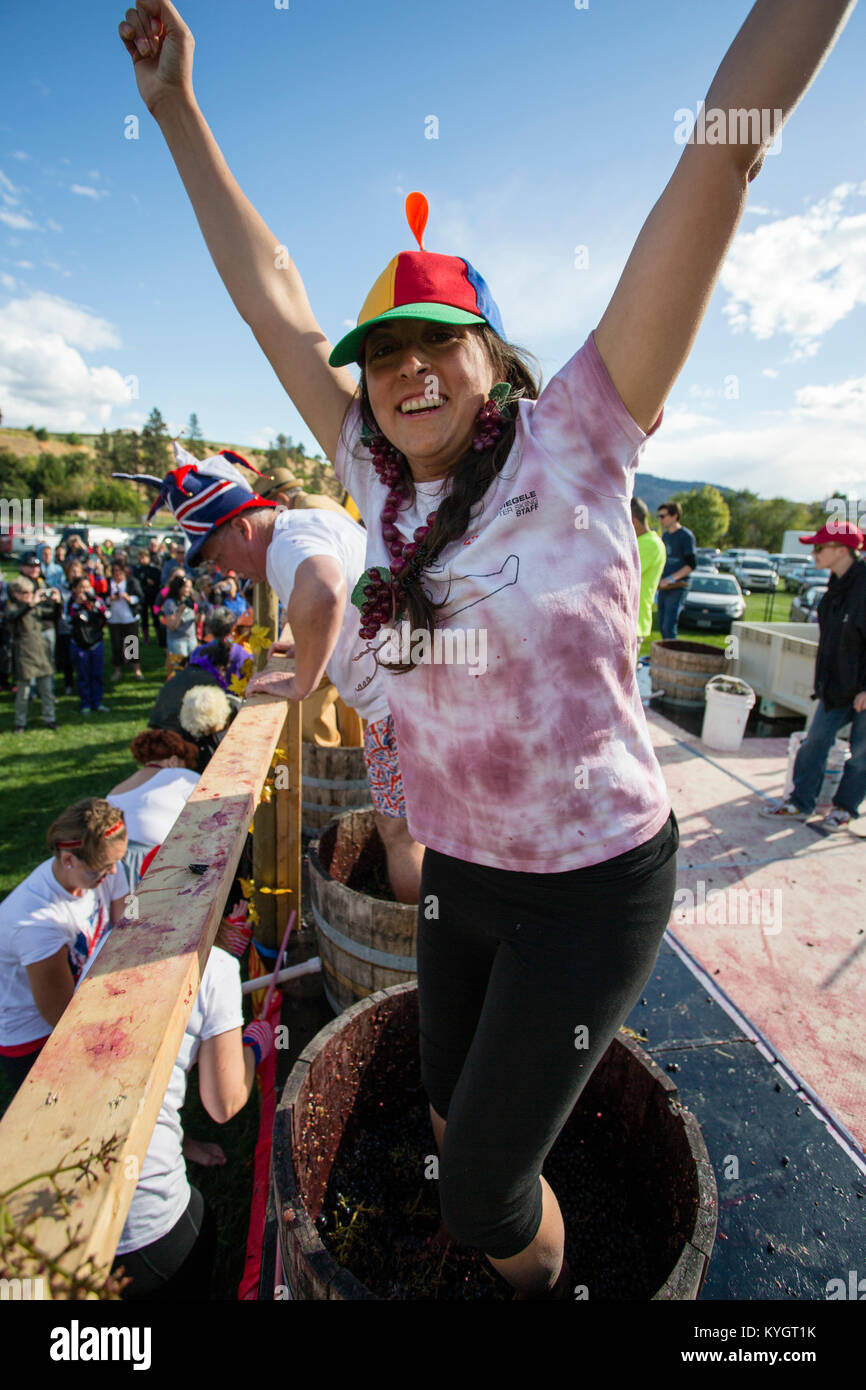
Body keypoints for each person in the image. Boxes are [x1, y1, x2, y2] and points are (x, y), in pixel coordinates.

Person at [119, 0, 854, 1299]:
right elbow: (270, 296)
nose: (404, 375)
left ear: (488, 356)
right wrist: (176, 109)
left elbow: (720, 158)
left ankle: (554, 1287)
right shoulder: (373, 476)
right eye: (379, 357)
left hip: (592, 888)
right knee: (454, 1116)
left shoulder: (586, 420)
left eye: (432, 346)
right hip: (465, 870)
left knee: (481, 1186)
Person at [116, 444, 424, 904]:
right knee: (423, 824)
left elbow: (324, 589)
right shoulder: (307, 524)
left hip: (394, 705)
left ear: (243, 527)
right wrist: (307, 639)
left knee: (400, 833)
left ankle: (421, 941)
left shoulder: (285, 546)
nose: (225, 570)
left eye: (219, 555)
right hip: (415, 686)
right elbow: (344, 589)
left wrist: (301, 681)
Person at [0, 799, 128, 1088]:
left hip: (84, 989)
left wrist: (136, 917)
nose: (112, 873)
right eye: (102, 868)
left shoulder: (103, 863)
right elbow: (60, 1015)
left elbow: (128, 913)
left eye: (116, 862)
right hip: (36, 1039)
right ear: (68, 858)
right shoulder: (37, 926)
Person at [761, 522, 866, 829]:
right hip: (835, 689)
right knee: (814, 743)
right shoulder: (835, 588)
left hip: (862, 691)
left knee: (860, 752)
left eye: (820, 548)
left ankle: (844, 808)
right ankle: (800, 802)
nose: (814, 553)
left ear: (842, 550)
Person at [5, 576, 58, 732]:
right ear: (16, 593)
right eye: (26, 592)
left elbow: (52, 615)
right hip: (23, 651)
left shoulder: (34, 607)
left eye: (31, 592)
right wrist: (30, 604)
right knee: (24, 691)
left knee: (46, 689)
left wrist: (57, 602)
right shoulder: (12, 607)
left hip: (40, 649)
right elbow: (14, 616)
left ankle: (50, 717)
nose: (30, 595)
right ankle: (20, 722)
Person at [631, 497, 667, 659]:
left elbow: (620, 574)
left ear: (632, 520)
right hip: (630, 622)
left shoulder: (650, 544)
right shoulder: (643, 542)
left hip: (633, 622)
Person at [69, 575, 110, 715]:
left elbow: (107, 615)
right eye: (81, 587)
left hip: (96, 641)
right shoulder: (72, 602)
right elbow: (68, 618)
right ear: (75, 589)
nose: (84, 590)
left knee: (97, 674)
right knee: (83, 675)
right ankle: (85, 703)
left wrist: (94, 604)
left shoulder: (97, 601)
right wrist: (77, 605)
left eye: (87, 587)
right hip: (80, 643)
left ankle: (97, 702)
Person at [656, 502, 697, 640]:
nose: (660, 520)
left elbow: (691, 564)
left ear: (674, 516)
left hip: (677, 586)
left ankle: (670, 658)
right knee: (662, 624)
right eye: (658, 516)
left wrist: (671, 579)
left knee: (669, 625)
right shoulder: (666, 536)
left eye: (663, 516)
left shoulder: (686, 536)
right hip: (663, 586)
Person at [107, 558, 145, 681]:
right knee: (116, 645)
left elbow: (140, 597)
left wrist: (129, 598)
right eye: (114, 571)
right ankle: (117, 670)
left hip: (129, 618)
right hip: (114, 619)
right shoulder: (108, 583)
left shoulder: (131, 582)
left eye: (119, 571)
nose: (116, 573)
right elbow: (102, 598)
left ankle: (136, 669)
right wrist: (110, 599)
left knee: (131, 644)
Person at [160, 572, 199, 677]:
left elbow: (194, 619)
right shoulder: (170, 603)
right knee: (180, 670)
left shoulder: (190, 601)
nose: (189, 590)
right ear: (178, 587)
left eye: (190, 587)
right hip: (177, 641)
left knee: (194, 668)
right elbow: (172, 626)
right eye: (186, 587)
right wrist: (179, 612)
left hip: (192, 639)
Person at [133, 546, 163, 643]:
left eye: (144, 557)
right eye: (140, 557)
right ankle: (146, 637)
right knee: (144, 617)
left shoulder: (153, 568)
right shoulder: (137, 569)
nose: (142, 560)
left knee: (155, 616)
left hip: (153, 595)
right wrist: (144, 580)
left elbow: (158, 580)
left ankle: (159, 636)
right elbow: (136, 581)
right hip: (143, 596)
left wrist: (153, 582)